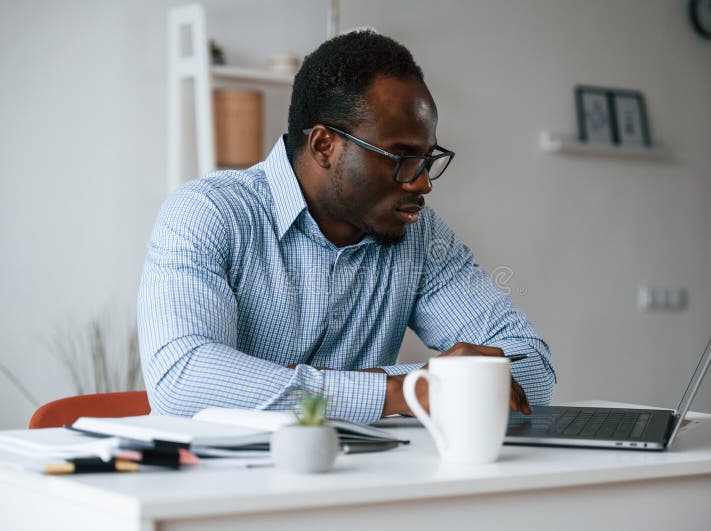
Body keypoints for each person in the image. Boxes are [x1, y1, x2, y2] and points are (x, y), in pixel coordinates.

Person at [138, 30, 555, 424]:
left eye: (427, 159)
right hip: (225, 474)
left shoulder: (420, 235)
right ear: (324, 145)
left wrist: (346, 387)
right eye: (402, 157)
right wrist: (400, 392)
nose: (422, 183)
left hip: (363, 471)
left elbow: (532, 369)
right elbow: (182, 379)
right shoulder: (209, 212)